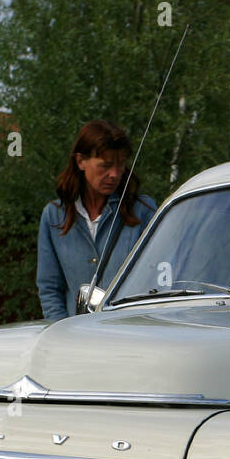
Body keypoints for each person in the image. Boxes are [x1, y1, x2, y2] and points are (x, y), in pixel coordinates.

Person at [37, 120, 157, 322]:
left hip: (132, 336)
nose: (115, 174)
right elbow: (50, 289)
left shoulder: (143, 210)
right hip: (76, 342)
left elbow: (157, 281)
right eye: (106, 165)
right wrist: (62, 332)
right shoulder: (53, 215)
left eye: (120, 165)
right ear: (80, 161)